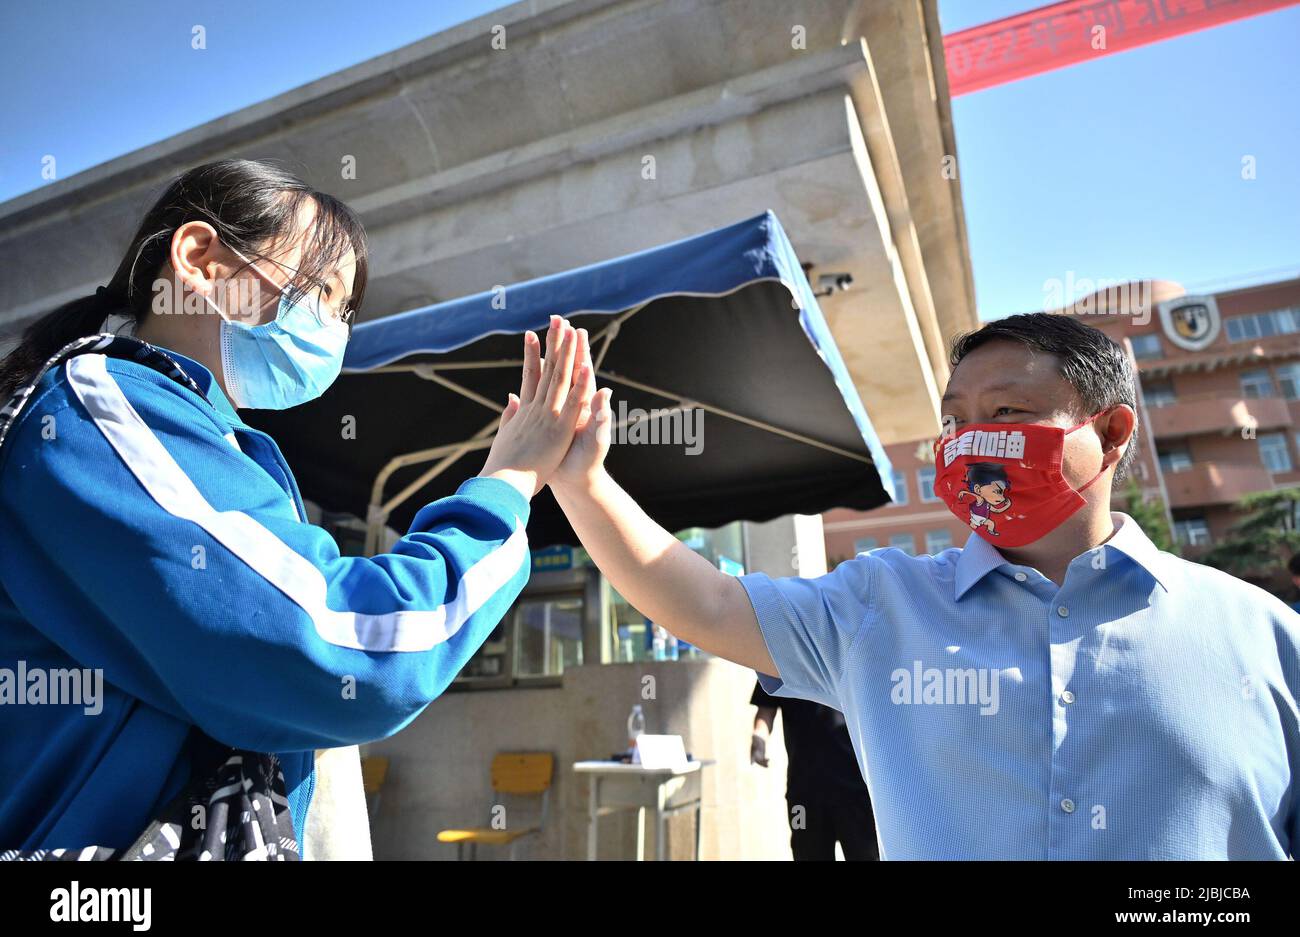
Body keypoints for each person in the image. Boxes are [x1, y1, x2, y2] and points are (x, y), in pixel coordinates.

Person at [0, 159, 592, 860]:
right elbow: (340, 642)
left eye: (345, 313)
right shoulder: (100, 407)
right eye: (320, 291)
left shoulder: (204, 438)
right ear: (200, 260)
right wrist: (509, 482)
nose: (334, 330)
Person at [549, 312, 1300, 860]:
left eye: (1007, 412)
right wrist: (581, 482)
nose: (971, 441)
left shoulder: (1265, 636)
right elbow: (706, 600)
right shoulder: (880, 605)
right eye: (954, 420)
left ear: (1109, 434)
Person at [750, 680, 878, 860]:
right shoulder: (781, 657)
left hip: (855, 790)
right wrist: (759, 737)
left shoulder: (846, 655)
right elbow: (766, 708)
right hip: (803, 794)